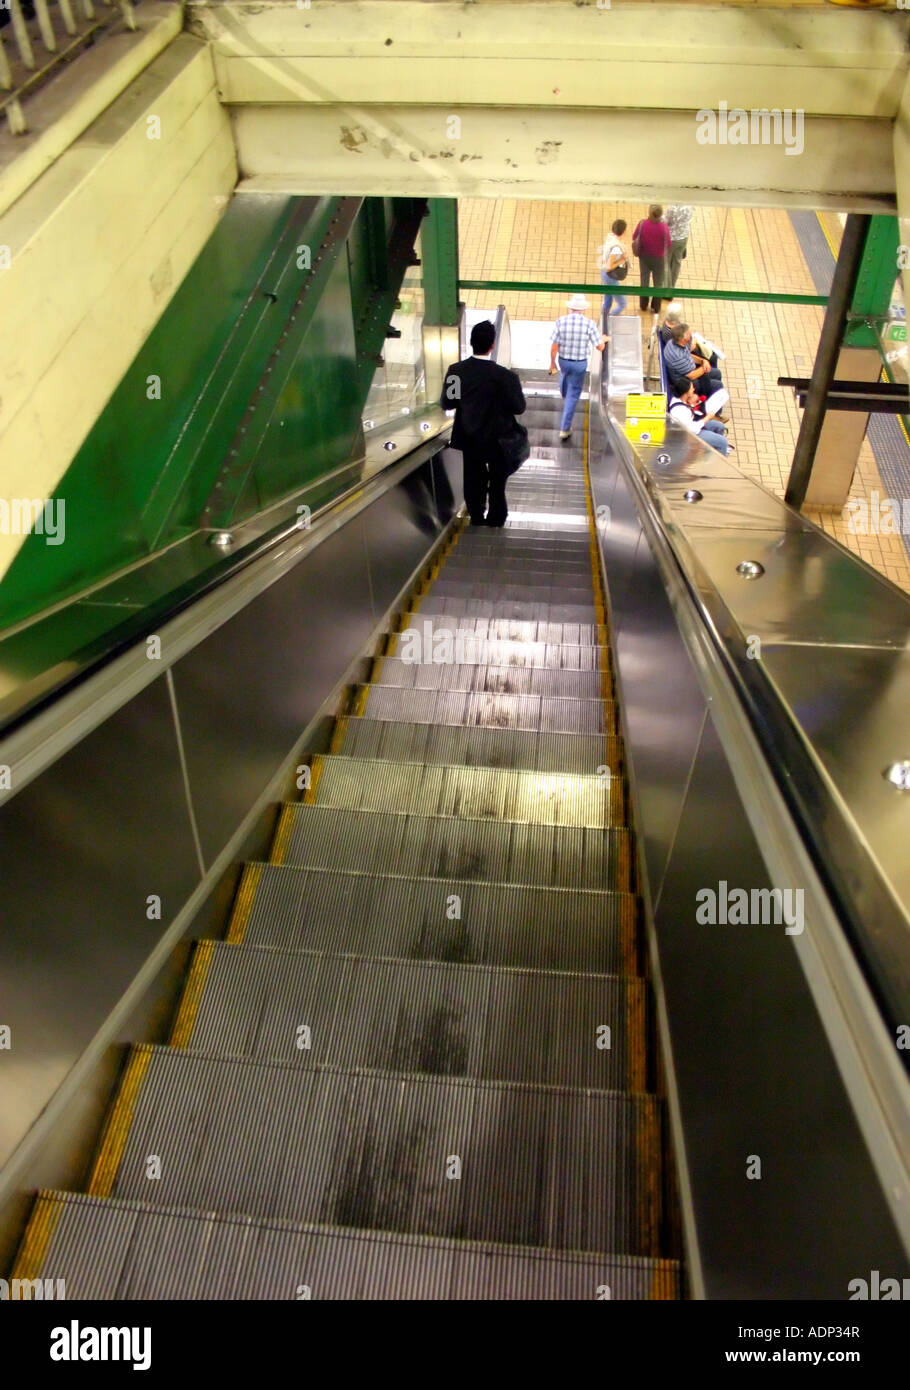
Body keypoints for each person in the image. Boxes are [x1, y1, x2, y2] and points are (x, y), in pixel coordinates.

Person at [441, 319, 526, 527]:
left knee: (472, 478)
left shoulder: (456, 371)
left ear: (471, 342)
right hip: (499, 439)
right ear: (492, 345)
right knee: (497, 480)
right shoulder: (506, 376)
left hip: (469, 437)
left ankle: (476, 516)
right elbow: (519, 407)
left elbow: (448, 402)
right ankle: (497, 518)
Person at [548, 294, 608, 441]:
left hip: (563, 361)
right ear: (583, 309)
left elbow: (554, 346)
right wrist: (604, 340)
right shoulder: (589, 324)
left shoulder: (561, 321)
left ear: (571, 308)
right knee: (573, 395)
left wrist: (552, 362)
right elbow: (599, 347)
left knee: (565, 375)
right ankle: (564, 428)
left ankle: (563, 392)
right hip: (579, 364)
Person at [664, 322, 725, 399]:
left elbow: (689, 355)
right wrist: (704, 368)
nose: (691, 334)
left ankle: (710, 395)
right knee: (718, 385)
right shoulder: (677, 355)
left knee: (717, 373)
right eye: (689, 334)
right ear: (683, 339)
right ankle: (708, 403)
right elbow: (691, 376)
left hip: (691, 370)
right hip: (686, 383)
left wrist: (703, 361)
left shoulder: (676, 343)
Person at [668, 383, 732, 456]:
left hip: (693, 425)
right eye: (691, 388)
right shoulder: (680, 410)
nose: (693, 389)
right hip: (689, 435)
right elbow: (692, 430)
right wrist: (706, 418)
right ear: (686, 392)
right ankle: (719, 456)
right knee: (723, 442)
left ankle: (712, 452)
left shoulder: (681, 399)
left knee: (719, 426)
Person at [631, 205, 671, 312]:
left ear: (649, 213)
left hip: (644, 257)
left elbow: (634, 237)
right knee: (658, 283)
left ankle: (643, 305)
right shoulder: (664, 228)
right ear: (661, 214)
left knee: (644, 280)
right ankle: (656, 307)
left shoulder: (642, 224)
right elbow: (669, 243)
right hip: (659, 259)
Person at [598, 219, 629, 319]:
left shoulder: (610, 237)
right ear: (623, 231)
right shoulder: (616, 247)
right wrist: (622, 259)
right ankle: (608, 318)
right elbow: (609, 268)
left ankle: (604, 316)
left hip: (604, 274)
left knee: (608, 299)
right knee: (622, 303)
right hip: (610, 276)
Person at [664, 205, 694, 288]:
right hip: (683, 238)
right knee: (677, 263)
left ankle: (666, 287)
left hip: (671, 239)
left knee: (666, 263)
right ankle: (672, 286)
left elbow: (665, 221)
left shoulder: (673, 207)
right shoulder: (690, 205)